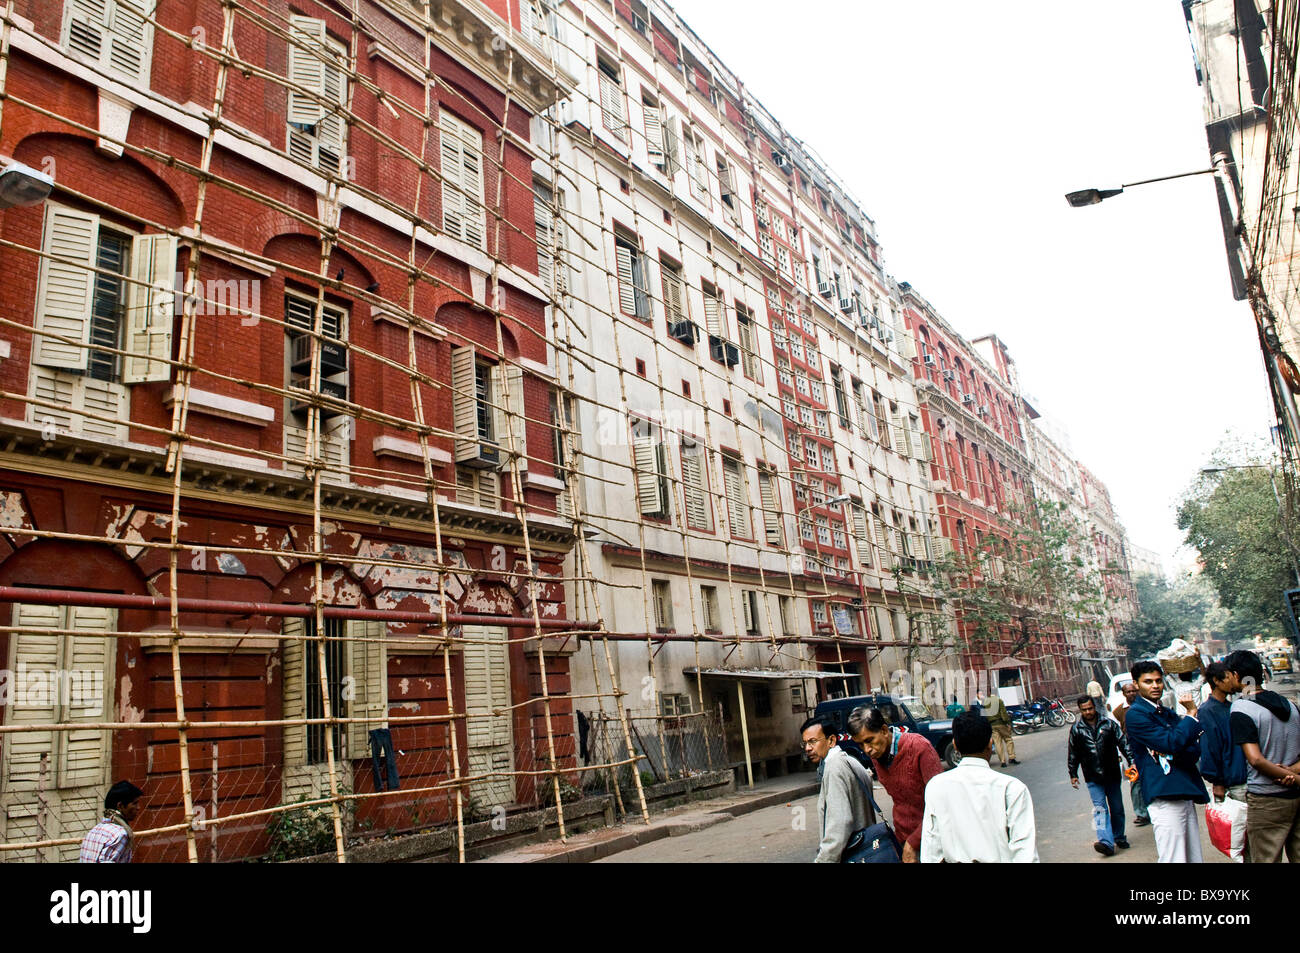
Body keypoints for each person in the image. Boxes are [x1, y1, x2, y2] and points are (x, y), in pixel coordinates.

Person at [920, 711, 1038, 862]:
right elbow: (1025, 853)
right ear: (990, 744)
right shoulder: (1011, 789)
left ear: (955, 745)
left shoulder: (936, 786)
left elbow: (931, 850)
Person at [1124, 660, 1208, 863]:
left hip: (1183, 788)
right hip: (1164, 794)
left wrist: (1178, 743)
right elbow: (1171, 742)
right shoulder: (1136, 715)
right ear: (1136, 684)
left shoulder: (1165, 712)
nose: (1155, 686)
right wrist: (1190, 716)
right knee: (1173, 858)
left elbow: (1192, 749)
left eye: (1158, 681)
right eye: (1148, 681)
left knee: (1193, 857)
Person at [1225, 650, 1300, 862]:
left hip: (1267, 798)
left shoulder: (1241, 708)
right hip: (1296, 795)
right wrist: (1292, 773)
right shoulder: (1291, 706)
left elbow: (1256, 759)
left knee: (1266, 859)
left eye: (1229, 675)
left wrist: (1289, 776)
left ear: (1237, 676)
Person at [846, 705, 944, 863]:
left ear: (884, 731)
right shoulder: (877, 755)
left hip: (932, 843)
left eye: (869, 741)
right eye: (860, 745)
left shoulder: (919, 747)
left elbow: (941, 805)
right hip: (902, 840)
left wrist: (913, 842)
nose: (867, 749)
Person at [800, 715, 876, 863]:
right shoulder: (849, 761)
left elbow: (840, 824)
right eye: (805, 743)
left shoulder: (834, 767)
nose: (808, 748)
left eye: (813, 741)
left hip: (853, 855)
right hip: (866, 852)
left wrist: (824, 860)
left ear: (831, 740)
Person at [1068, 695, 1134, 856]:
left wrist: (1132, 761)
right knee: (1099, 809)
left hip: (1112, 773)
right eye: (1084, 710)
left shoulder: (1109, 724)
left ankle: (1119, 836)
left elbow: (1123, 743)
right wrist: (1073, 773)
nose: (1088, 712)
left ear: (1094, 707)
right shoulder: (1076, 729)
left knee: (1117, 808)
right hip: (1092, 777)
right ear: (1080, 710)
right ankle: (1105, 842)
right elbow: (1073, 753)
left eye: (1090, 708)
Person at [1197, 661, 1249, 805]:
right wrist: (1217, 781)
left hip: (1245, 777)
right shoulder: (1207, 711)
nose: (1232, 681)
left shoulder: (1232, 707)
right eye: (1227, 677)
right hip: (1232, 781)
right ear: (1216, 681)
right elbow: (1210, 748)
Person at [1112, 681, 1150, 827]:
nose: (1132, 694)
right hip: (1130, 751)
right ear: (1124, 694)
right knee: (1134, 781)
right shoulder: (1118, 711)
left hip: (1148, 748)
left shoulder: (1145, 707)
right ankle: (1141, 813)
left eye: (1134, 691)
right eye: (1128, 692)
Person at [79, 780, 144, 863]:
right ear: (120, 806)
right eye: (134, 803)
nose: (138, 808)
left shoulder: (95, 830)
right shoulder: (120, 835)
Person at [981, 690, 1019, 766]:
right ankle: (1011, 757)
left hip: (992, 725)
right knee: (1008, 739)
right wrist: (1007, 722)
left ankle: (1002, 761)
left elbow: (984, 714)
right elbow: (1003, 713)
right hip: (1001, 723)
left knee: (998, 743)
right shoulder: (999, 700)